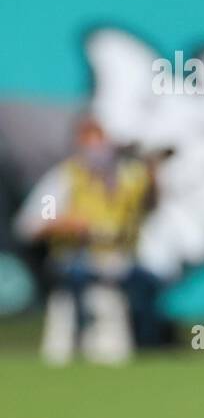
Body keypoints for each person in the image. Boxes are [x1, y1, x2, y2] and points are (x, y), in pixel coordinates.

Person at [13, 116, 155, 364]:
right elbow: (34, 223)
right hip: (75, 260)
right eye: (90, 142)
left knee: (147, 283)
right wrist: (68, 224)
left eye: (101, 141)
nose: (98, 149)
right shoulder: (65, 178)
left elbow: (148, 204)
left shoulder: (129, 177)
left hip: (118, 261)